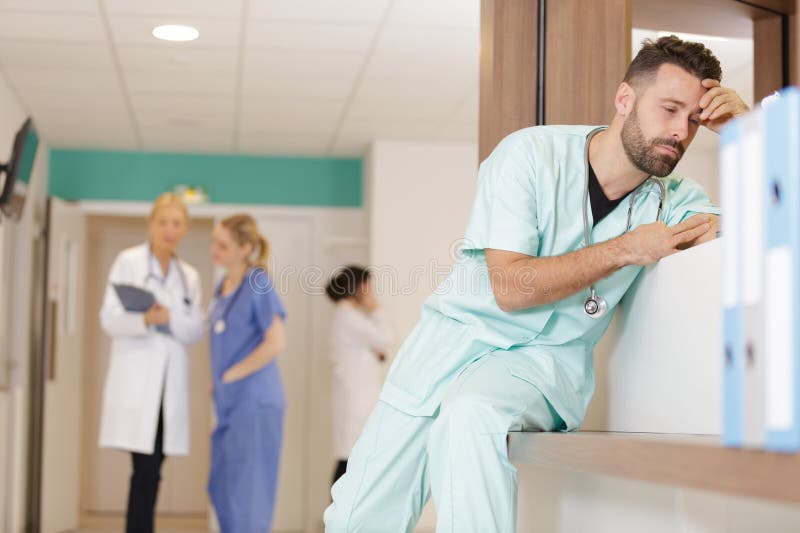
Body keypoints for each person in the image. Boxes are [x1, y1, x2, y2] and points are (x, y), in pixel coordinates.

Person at [324, 35, 748, 533]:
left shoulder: (677, 200)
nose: (680, 131)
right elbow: (511, 286)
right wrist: (626, 248)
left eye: (694, 120)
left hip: (539, 365)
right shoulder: (528, 155)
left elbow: (767, 230)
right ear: (625, 99)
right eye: (670, 109)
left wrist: (749, 131)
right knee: (355, 519)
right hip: (443, 350)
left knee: (471, 416)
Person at [98, 193, 205, 533]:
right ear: (151, 224)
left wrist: (167, 318)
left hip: (168, 386)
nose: (169, 230)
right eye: (163, 222)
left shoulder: (189, 276)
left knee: (154, 468)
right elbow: (109, 319)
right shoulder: (128, 262)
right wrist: (145, 319)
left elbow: (194, 329)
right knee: (145, 469)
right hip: (138, 379)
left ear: (185, 228)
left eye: (176, 223)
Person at [207, 213, 287, 533]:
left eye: (222, 245)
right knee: (222, 487)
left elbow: (277, 342)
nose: (214, 249)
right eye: (214, 242)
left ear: (245, 248)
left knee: (248, 494)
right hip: (230, 403)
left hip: (254, 401)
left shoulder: (258, 282)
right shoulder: (223, 286)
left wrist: (231, 375)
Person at [326, 266, 392, 486]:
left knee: (352, 460)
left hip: (356, 398)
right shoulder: (349, 318)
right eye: (368, 288)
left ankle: (342, 517)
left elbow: (382, 348)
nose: (371, 293)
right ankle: (337, 517)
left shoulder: (350, 318)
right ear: (358, 289)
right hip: (354, 400)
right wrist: (376, 309)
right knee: (348, 463)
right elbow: (386, 338)